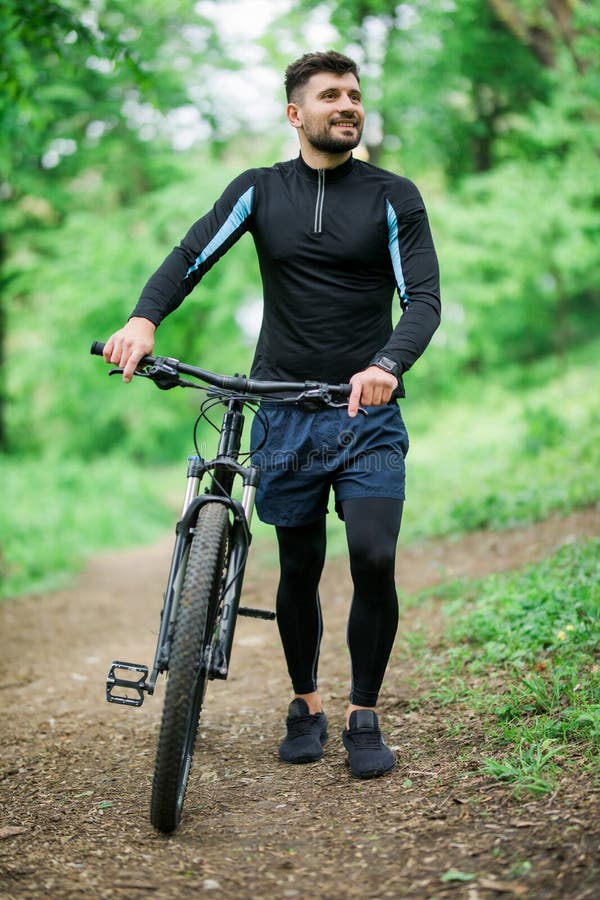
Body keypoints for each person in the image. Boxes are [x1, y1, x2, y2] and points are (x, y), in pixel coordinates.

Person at [104, 50, 440, 779]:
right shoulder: (259, 190)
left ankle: (364, 712)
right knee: (299, 564)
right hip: (284, 411)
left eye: (354, 94)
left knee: (375, 557)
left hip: (365, 412)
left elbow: (424, 302)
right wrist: (143, 320)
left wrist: (386, 366)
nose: (348, 105)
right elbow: (192, 253)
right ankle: (307, 702)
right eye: (331, 96)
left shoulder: (393, 195)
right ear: (297, 114)